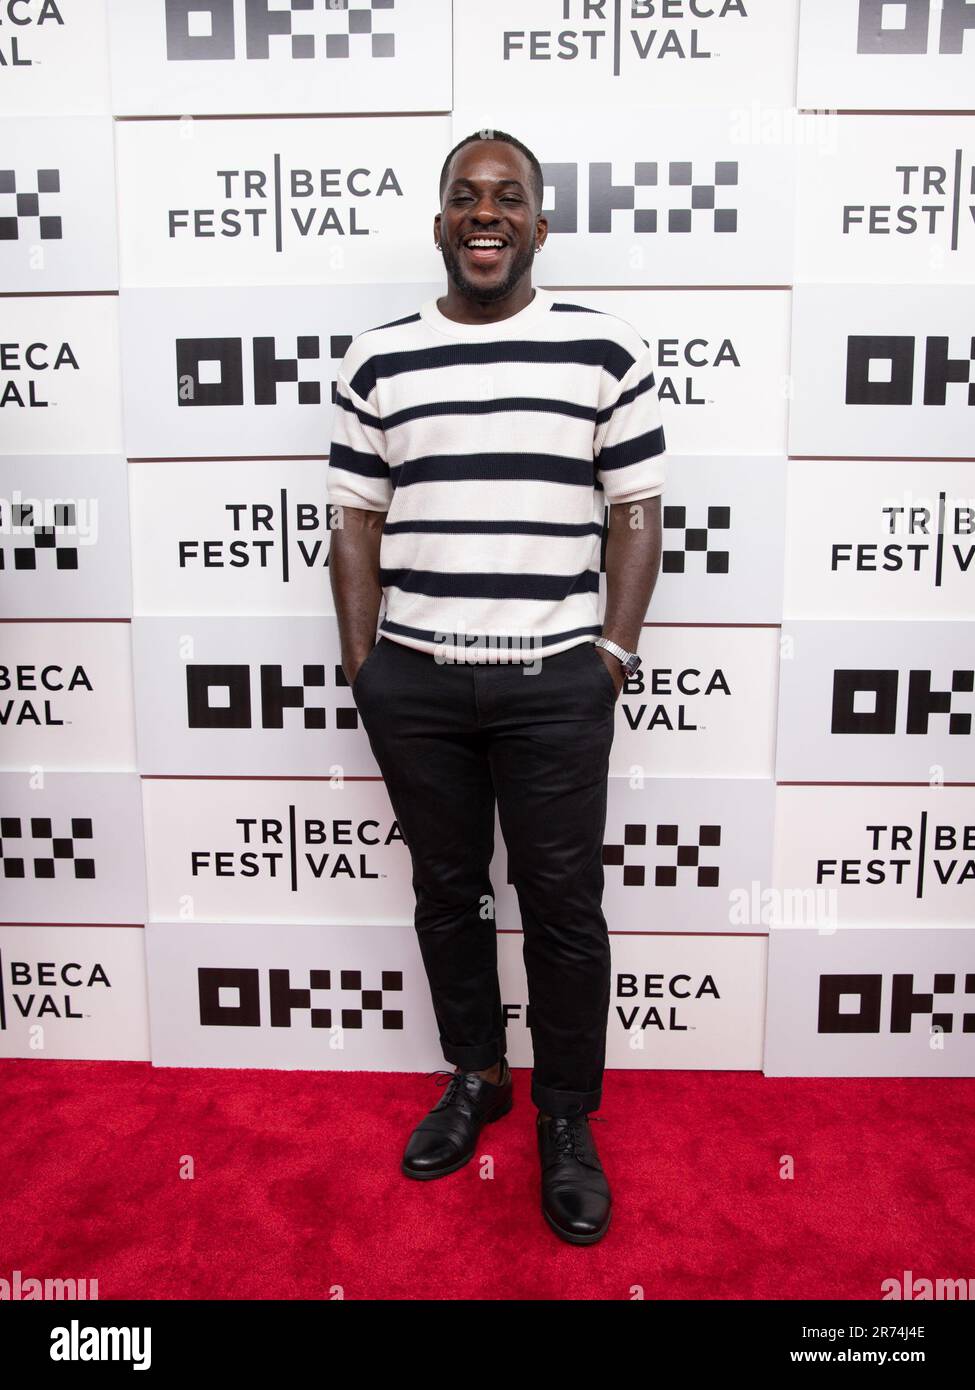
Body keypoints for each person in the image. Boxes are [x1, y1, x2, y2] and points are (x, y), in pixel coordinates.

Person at [326, 129, 665, 1245]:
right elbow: (355, 519)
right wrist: (365, 666)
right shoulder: (377, 358)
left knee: (563, 907)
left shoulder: (604, 350)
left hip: (552, 679)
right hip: (415, 680)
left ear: (538, 224)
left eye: (508, 197)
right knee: (449, 889)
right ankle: (478, 1076)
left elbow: (637, 513)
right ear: (440, 223)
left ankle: (566, 1118)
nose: (487, 213)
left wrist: (607, 655)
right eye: (467, 198)